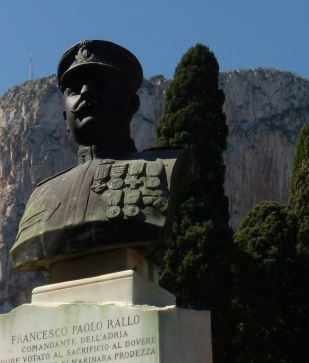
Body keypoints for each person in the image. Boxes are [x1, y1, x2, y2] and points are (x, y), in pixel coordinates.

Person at [10, 40, 194, 274]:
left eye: (101, 84)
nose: (85, 93)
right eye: (74, 89)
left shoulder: (163, 167)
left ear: (131, 104)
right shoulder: (41, 194)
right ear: (64, 114)